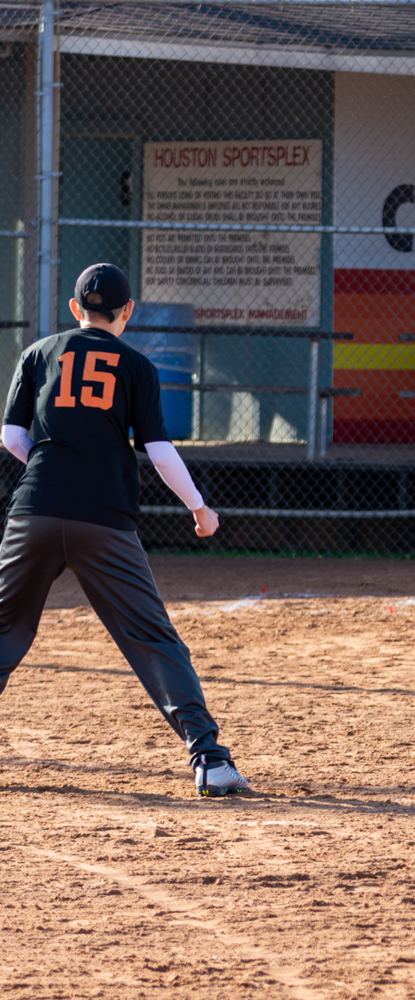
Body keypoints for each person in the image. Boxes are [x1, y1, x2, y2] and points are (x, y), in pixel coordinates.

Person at [0, 263, 251, 796]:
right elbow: (158, 450)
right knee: (153, 639)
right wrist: (199, 507)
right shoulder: (137, 365)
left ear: (75, 308)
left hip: (34, 510)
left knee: (3, 629)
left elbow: (12, 436)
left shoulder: (38, 353)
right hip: (105, 520)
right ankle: (210, 761)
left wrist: (50, 468)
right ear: (128, 311)